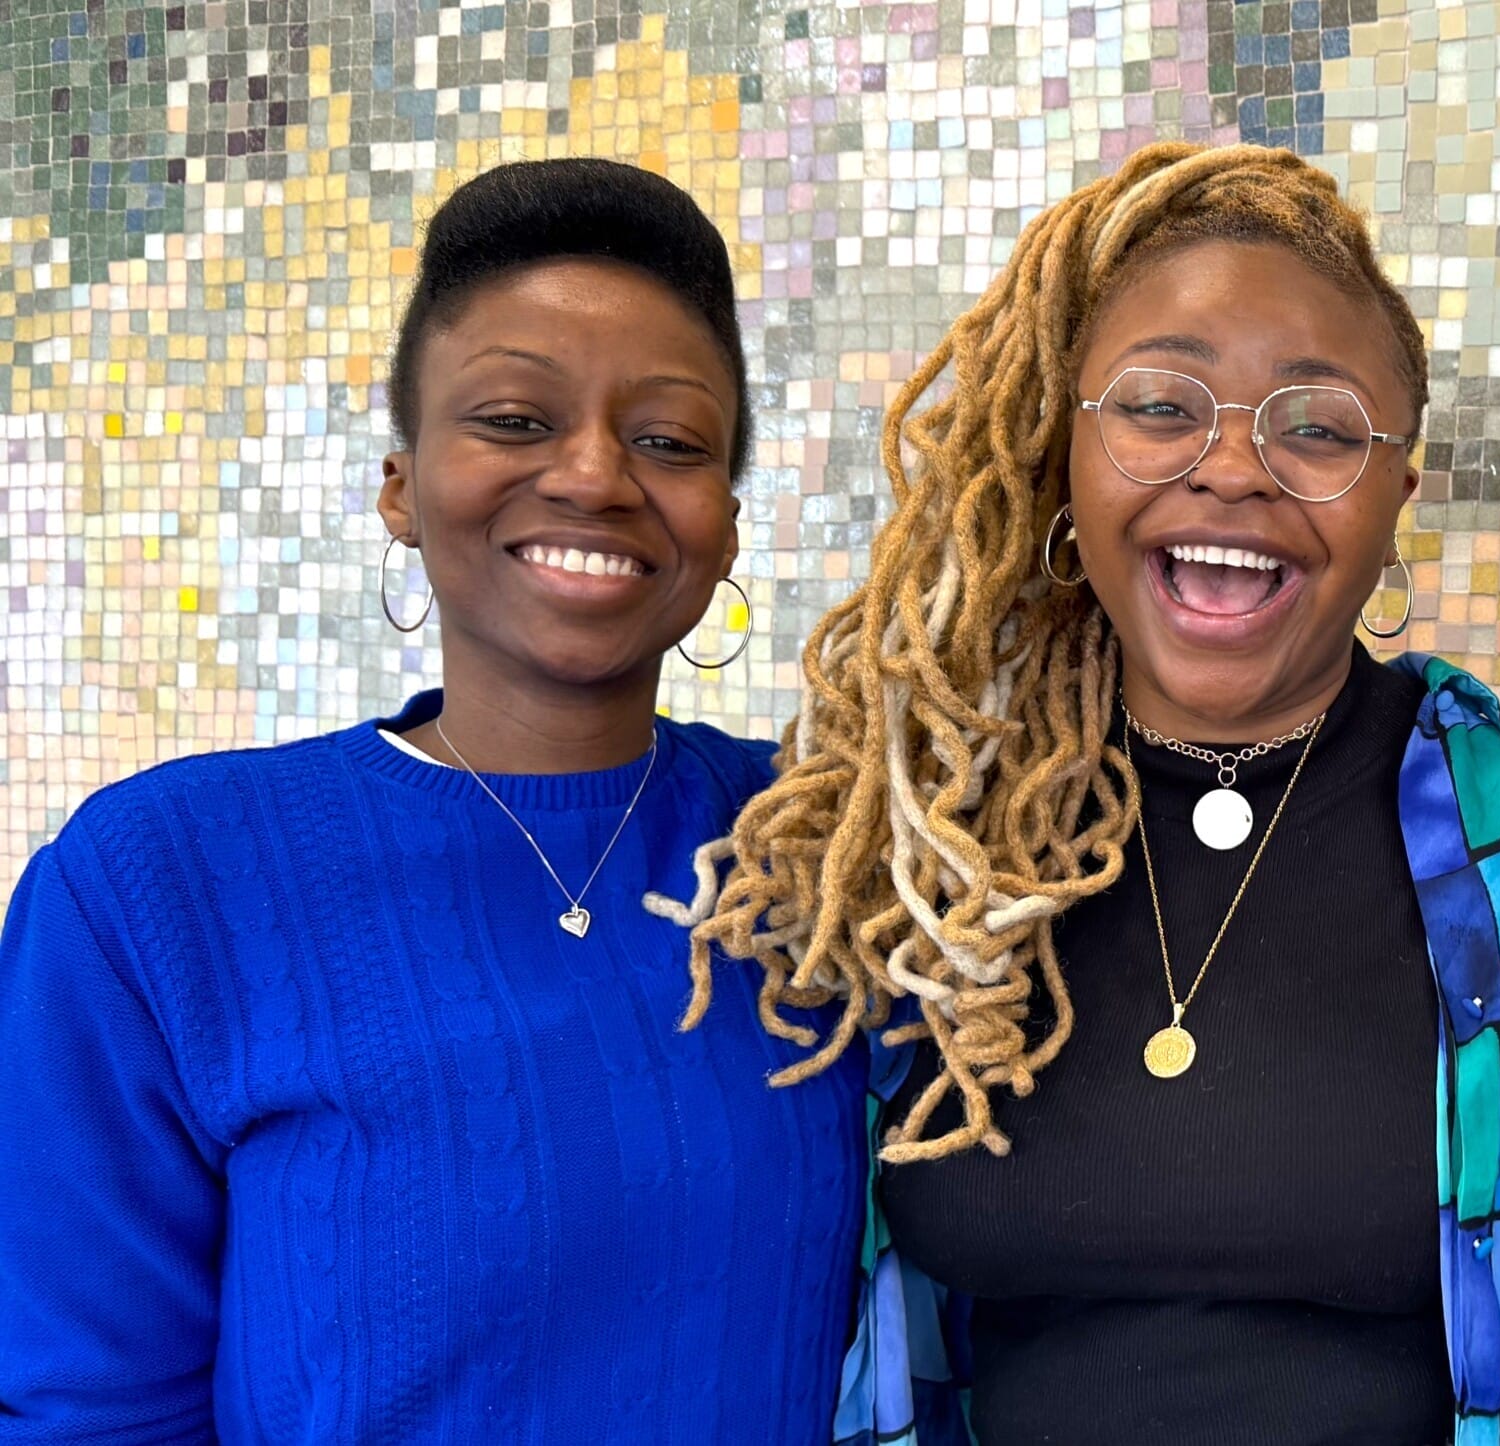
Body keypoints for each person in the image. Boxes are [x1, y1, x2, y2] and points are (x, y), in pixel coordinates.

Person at [660, 141, 1500, 1445]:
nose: (1234, 466)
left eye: (1317, 427)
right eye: (1158, 406)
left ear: (1397, 497)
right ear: (1063, 458)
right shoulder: (929, 867)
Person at [0, 158, 865, 1441]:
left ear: (725, 525)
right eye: (514, 419)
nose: (593, 475)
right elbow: (89, 1407)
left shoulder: (831, 848)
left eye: (668, 441)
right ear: (401, 485)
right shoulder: (156, 883)